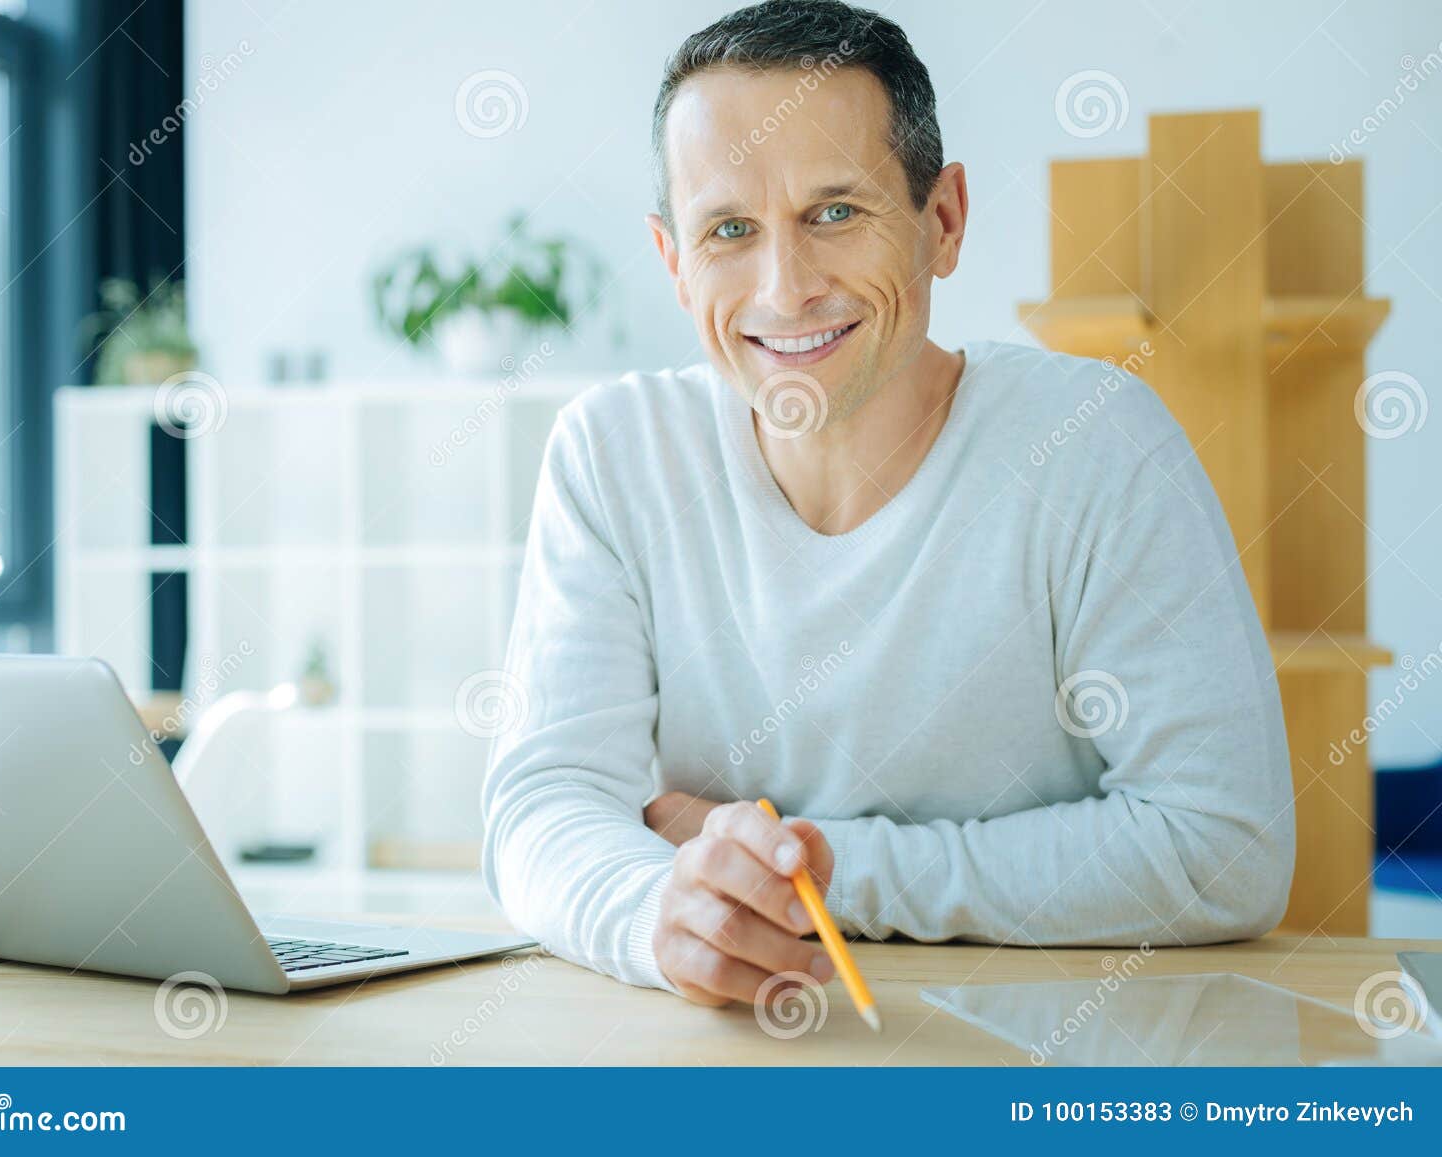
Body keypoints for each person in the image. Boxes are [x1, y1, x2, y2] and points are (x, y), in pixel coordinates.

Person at [481, 0, 1292, 1007]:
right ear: (674, 261)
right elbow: (544, 804)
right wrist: (663, 919)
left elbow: (1223, 846)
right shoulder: (615, 453)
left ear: (941, 221)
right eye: (729, 229)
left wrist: (816, 873)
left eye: (835, 212)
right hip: (746, 1041)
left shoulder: (1092, 441)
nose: (786, 288)